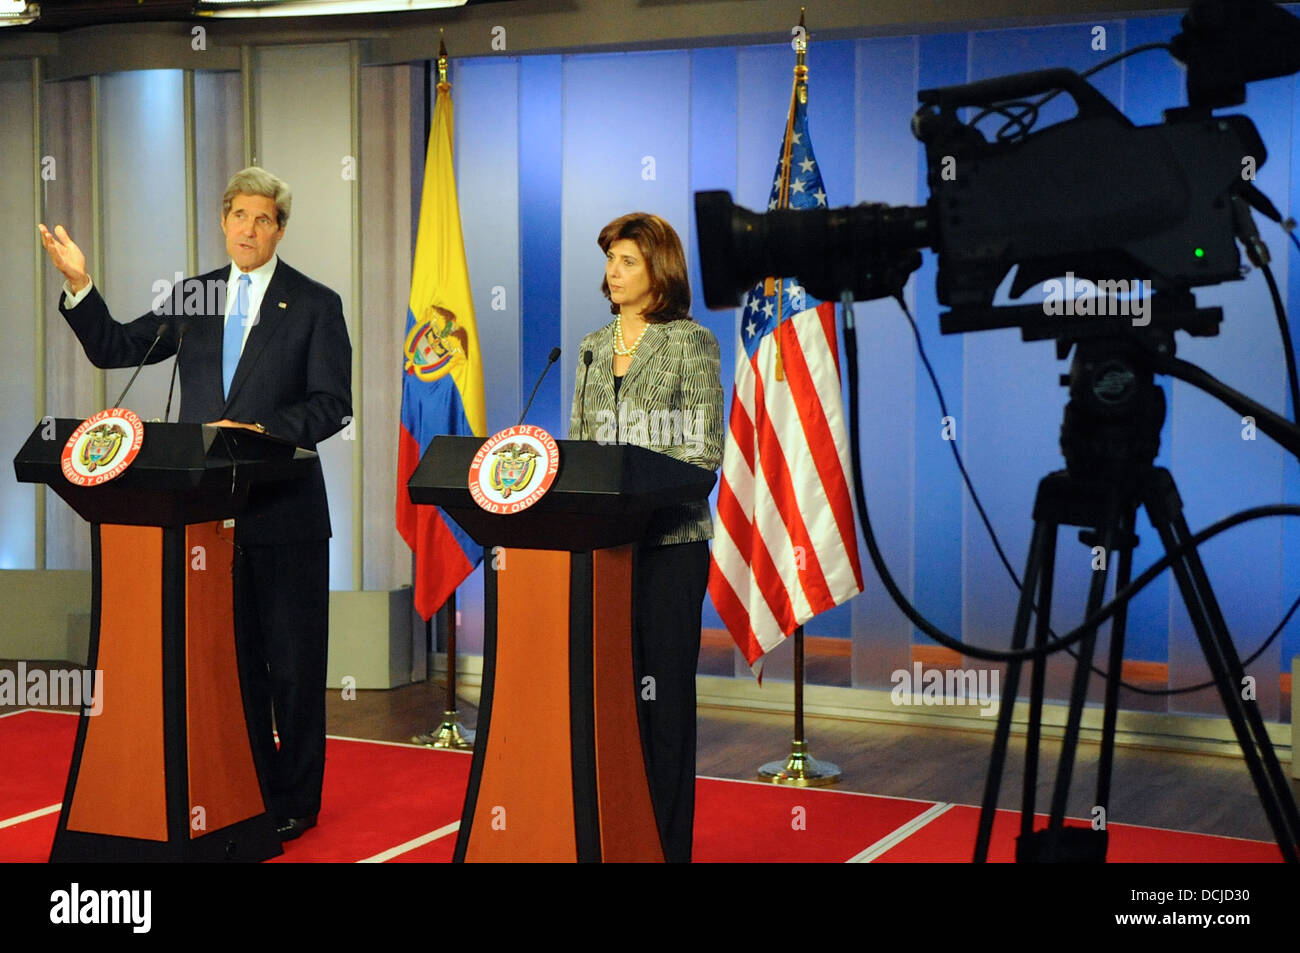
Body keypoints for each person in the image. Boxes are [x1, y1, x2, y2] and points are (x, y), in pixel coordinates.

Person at [38, 167, 352, 842]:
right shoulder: (196, 297)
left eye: (263, 219)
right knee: (231, 665)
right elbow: (119, 345)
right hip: (208, 518)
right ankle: (251, 788)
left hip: (287, 510)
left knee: (294, 667)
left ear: (281, 229)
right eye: (239, 215)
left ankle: (298, 799)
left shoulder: (316, 303)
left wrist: (267, 432)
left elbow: (333, 404)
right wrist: (78, 285)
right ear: (222, 220)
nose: (249, 228)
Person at [568, 211, 723, 862]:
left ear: (660, 269)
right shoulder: (590, 347)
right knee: (610, 698)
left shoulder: (691, 343)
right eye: (609, 260)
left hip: (670, 547)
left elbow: (705, 450)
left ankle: (666, 846)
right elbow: (578, 447)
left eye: (627, 261)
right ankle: (614, 835)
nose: (613, 272)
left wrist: (638, 485)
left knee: (663, 702)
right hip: (603, 550)